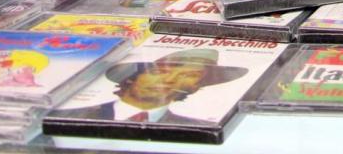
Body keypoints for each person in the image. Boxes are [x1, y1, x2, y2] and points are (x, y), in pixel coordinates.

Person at [50, 49, 247, 123]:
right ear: (133, 75)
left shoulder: (199, 128)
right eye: (160, 71)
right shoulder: (69, 116)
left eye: (189, 75)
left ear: (196, 86)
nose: (169, 80)